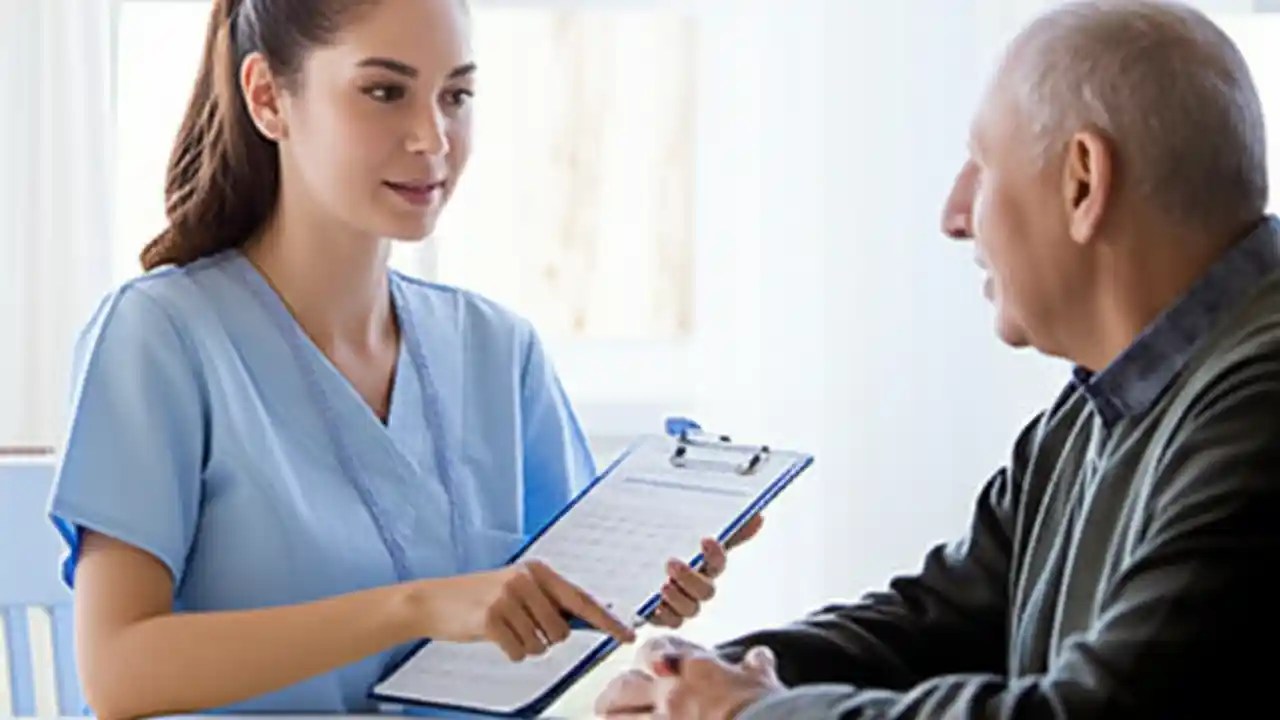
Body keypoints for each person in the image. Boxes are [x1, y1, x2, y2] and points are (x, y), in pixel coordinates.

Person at [46, 0, 760, 717]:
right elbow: (118, 673)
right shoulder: (160, 337)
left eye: (456, 96)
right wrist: (415, 607)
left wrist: (639, 626)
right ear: (267, 97)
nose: (433, 138)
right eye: (385, 92)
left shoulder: (498, 353)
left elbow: (554, 631)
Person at [595, 1, 1280, 718]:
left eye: (982, 166)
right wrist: (697, 676)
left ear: (1083, 181)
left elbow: (1096, 709)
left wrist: (746, 712)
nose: (954, 215)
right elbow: (938, 621)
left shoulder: (1260, 406)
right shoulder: (1094, 409)